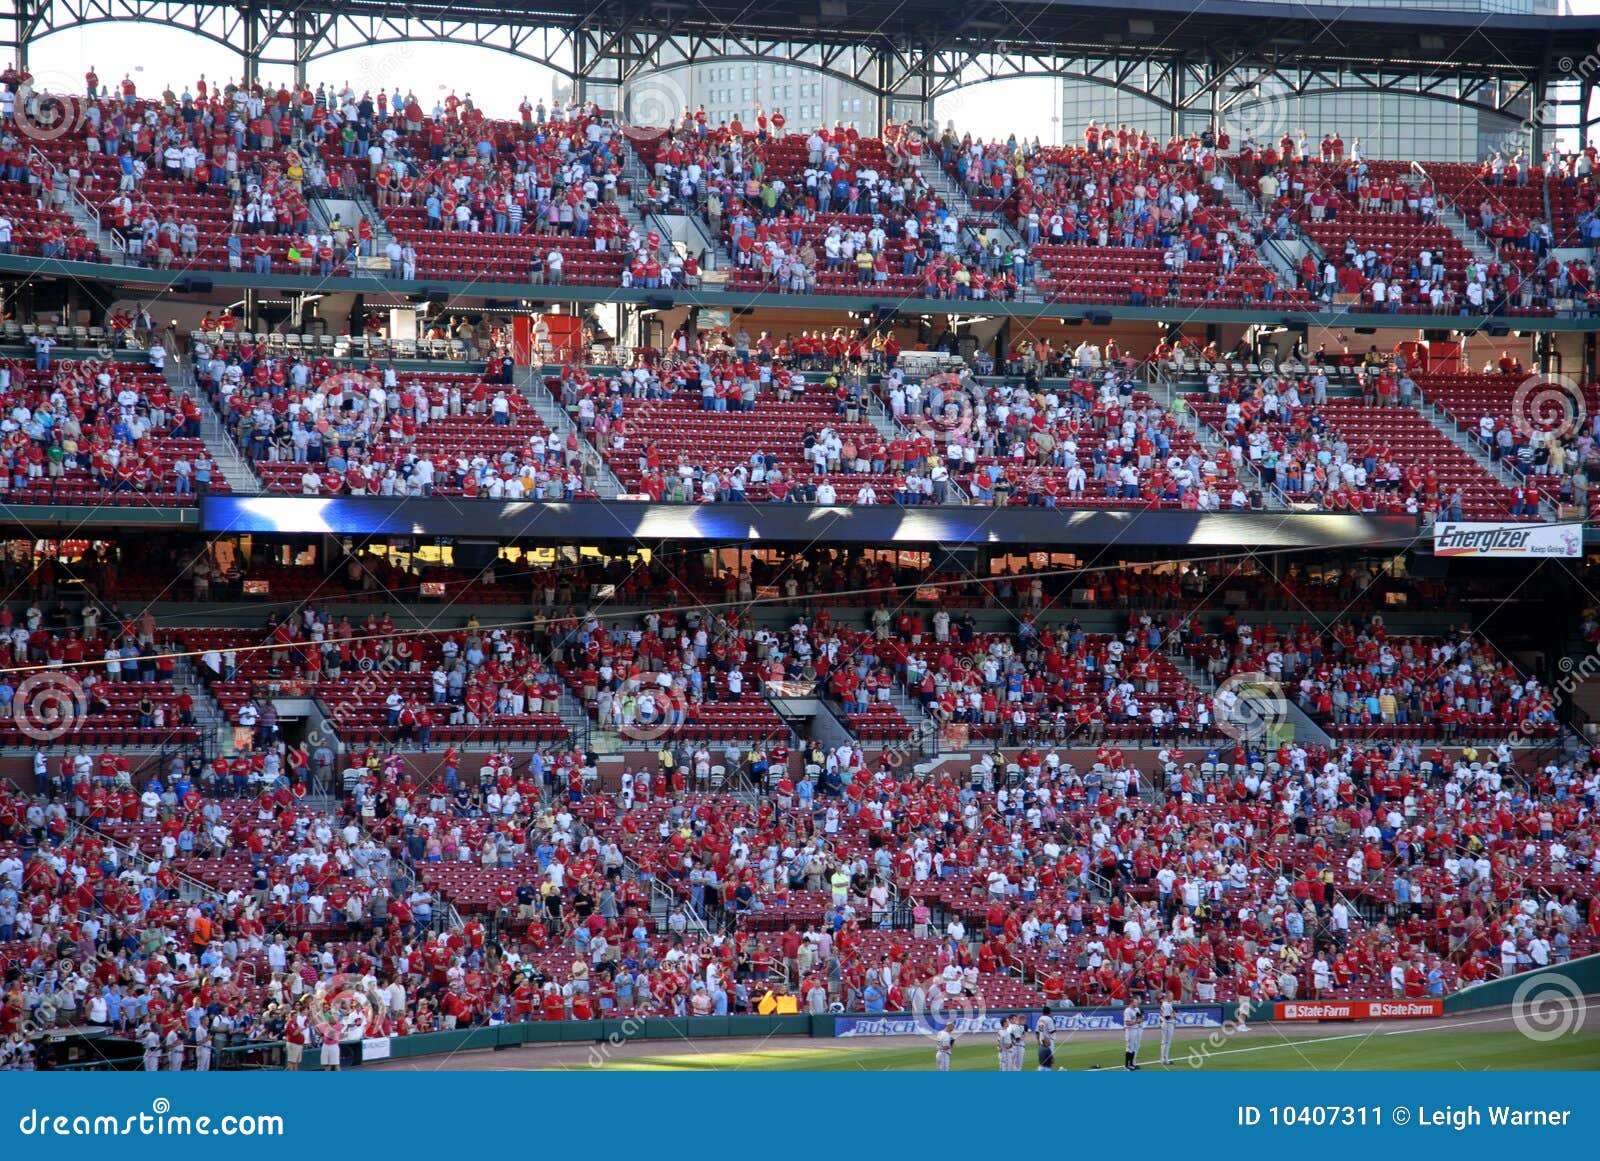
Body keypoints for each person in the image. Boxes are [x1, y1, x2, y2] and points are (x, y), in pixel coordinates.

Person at [1122, 996, 1143, 1071]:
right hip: (1130, 1030)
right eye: (1135, 1002)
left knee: (1134, 1047)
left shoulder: (1136, 1009)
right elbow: (1127, 1023)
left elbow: (1139, 1018)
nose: (1137, 1003)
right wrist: (1136, 1021)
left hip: (1136, 1029)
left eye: (1137, 1002)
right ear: (1131, 1002)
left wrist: (1140, 1019)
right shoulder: (1127, 1011)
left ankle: (1131, 1064)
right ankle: (1126, 1065)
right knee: (1129, 1048)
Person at [1035, 1007, 1056, 1072]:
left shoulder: (1040, 1019)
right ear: (1049, 1012)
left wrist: (1038, 1040)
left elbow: (1037, 1031)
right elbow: (1052, 1031)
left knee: (1042, 1059)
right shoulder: (1049, 1019)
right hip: (1048, 1041)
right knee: (1049, 1059)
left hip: (1042, 1041)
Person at [1159, 997, 1176, 1066]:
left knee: (1166, 1042)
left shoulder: (1165, 1004)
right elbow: (1167, 1017)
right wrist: (1174, 1015)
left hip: (1166, 1024)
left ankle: (1165, 1059)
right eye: (1171, 996)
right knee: (1166, 1042)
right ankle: (1164, 1059)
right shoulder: (1166, 1005)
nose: (1172, 997)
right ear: (1168, 996)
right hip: (1167, 1024)